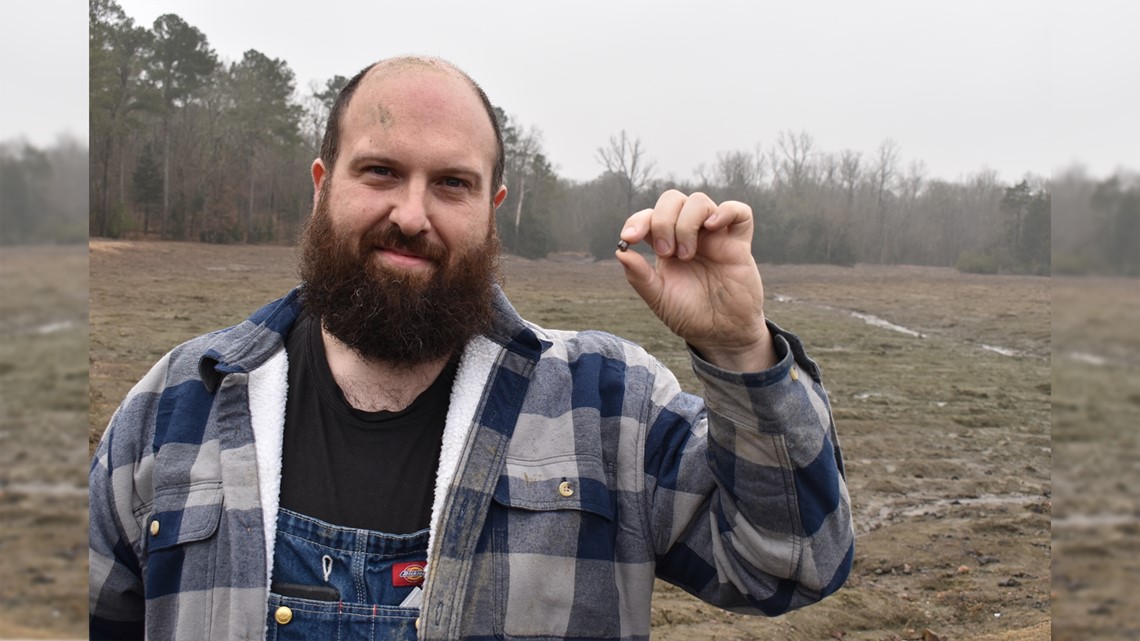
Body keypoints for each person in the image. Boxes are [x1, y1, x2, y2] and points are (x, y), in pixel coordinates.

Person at [89, 56, 853, 641]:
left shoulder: (608, 406)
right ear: (322, 185)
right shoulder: (175, 406)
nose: (411, 214)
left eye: (452, 183)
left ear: (492, 210)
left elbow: (791, 563)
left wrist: (737, 346)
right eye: (381, 171)